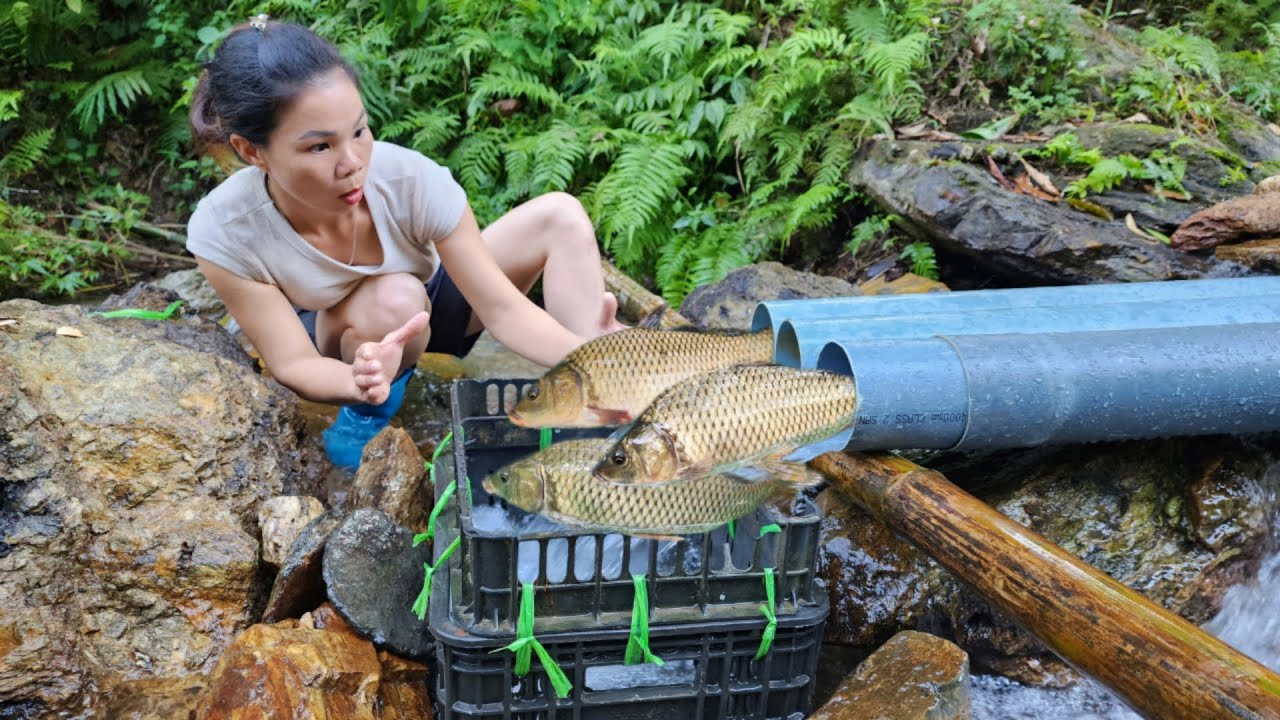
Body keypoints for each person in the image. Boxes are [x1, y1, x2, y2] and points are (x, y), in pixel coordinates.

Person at [186, 16, 624, 469]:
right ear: (251, 151)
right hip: (351, 337)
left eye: (359, 131)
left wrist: (597, 360)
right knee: (397, 298)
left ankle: (604, 396)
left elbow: (503, 310)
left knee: (561, 215)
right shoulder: (226, 231)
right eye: (320, 147)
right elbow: (293, 362)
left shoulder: (410, 179)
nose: (352, 163)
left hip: (437, 296)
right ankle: (368, 415)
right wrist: (358, 382)